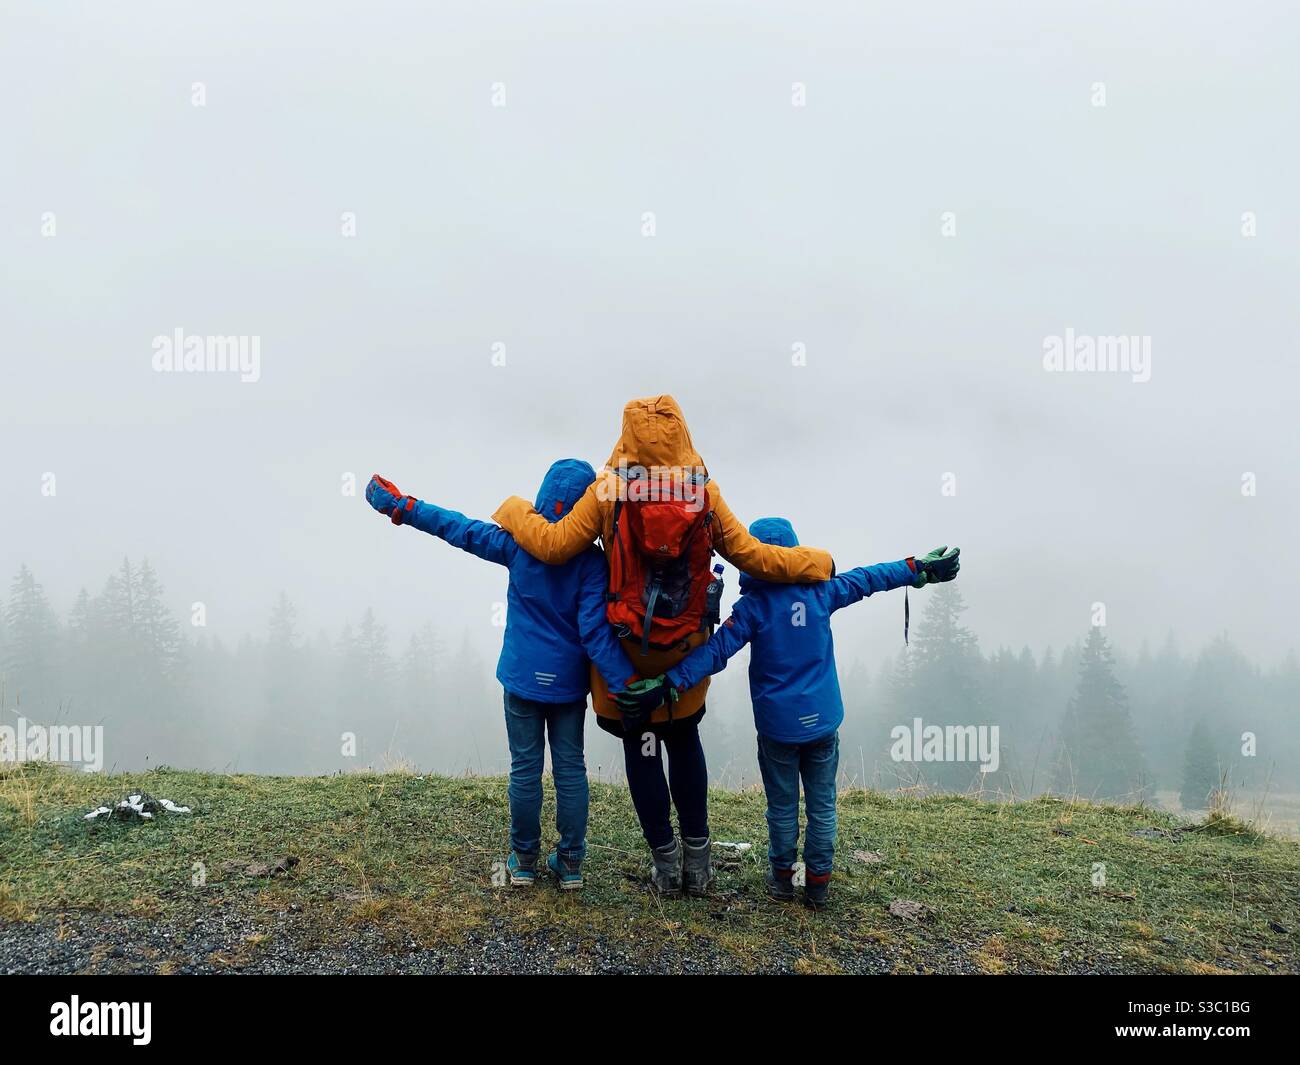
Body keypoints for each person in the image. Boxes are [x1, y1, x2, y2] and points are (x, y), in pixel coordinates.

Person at [491, 395, 836, 896]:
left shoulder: (609, 489)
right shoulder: (704, 493)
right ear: (683, 436)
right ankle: (698, 866)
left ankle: (666, 868)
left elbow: (553, 544)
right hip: (685, 651)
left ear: (625, 436)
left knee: (643, 748)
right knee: (684, 743)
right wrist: (818, 563)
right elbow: (755, 557)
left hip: (627, 654)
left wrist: (512, 508)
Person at [641, 519, 960, 908]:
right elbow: (869, 578)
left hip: (778, 729)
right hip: (823, 722)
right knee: (822, 805)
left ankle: (781, 883)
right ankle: (818, 885)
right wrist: (916, 568)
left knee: (782, 807)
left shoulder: (752, 608)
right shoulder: (822, 592)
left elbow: (715, 652)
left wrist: (669, 681)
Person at [365, 459, 639, 892]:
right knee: (570, 768)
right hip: (567, 686)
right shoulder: (592, 564)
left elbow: (459, 529)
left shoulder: (517, 544)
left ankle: (524, 861)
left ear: (544, 496)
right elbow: (594, 634)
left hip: (521, 680)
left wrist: (404, 506)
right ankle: (570, 863)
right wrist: (627, 683)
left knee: (525, 768)